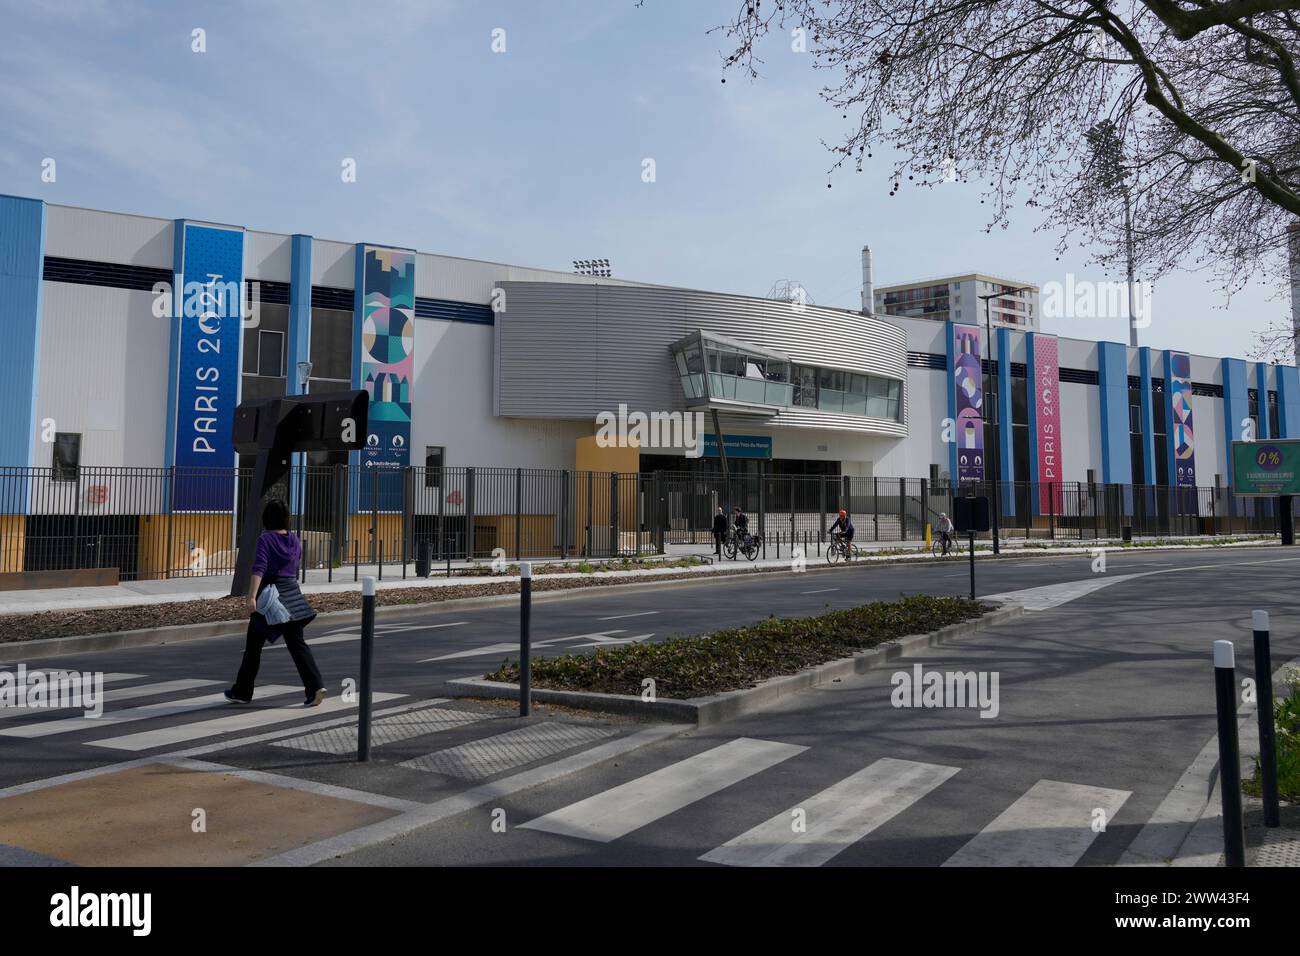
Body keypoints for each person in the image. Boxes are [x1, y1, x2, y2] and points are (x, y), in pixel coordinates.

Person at [226, 500, 326, 707]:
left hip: (270, 598)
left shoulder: (266, 539)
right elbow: (294, 570)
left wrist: (251, 596)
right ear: (286, 518)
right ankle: (315, 686)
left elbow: (259, 568)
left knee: (253, 647)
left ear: (267, 518)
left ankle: (243, 691)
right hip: (292, 595)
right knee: (298, 644)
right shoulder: (295, 540)